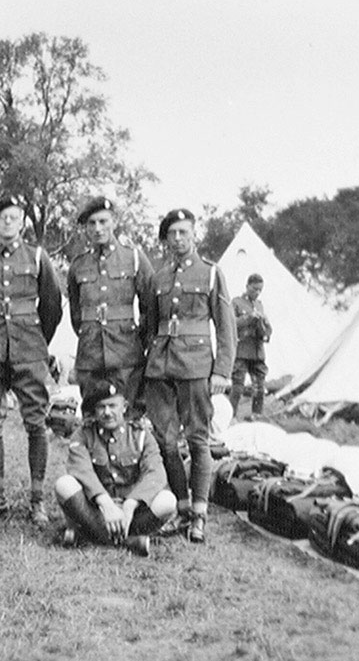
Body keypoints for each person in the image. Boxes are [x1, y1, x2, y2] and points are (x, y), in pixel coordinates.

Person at [0, 196, 62, 524]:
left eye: (15, 217)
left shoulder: (37, 257)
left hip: (28, 348)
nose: (9, 222)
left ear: (23, 223)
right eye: (3, 217)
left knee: (36, 422)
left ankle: (37, 500)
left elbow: (52, 305)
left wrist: (37, 342)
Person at [143, 209, 236, 543]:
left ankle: (199, 514)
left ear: (194, 234)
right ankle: (181, 508)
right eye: (172, 234)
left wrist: (222, 370)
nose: (179, 239)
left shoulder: (211, 273)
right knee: (166, 441)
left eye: (184, 232)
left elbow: (226, 327)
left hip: (196, 366)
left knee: (198, 440)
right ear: (166, 239)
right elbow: (151, 327)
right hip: (160, 367)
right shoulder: (159, 277)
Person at [54, 381, 176, 556]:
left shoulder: (141, 435)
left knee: (167, 501)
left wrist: (131, 504)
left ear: (124, 407)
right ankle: (130, 540)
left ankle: (88, 536)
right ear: (94, 410)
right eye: (101, 407)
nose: (107, 413)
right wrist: (106, 504)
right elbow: (81, 470)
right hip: (95, 510)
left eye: (112, 406)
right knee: (64, 484)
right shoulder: (83, 434)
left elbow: (155, 473)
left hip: (132, 514)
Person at [67, 196, 153, 412]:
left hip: (126, 355)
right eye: (92, 223)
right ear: (86, 228)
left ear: (114, 221)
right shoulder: (78, 265)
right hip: (90, 356)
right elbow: (76, 315)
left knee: (128, 415)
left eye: (103, 221)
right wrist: (89, 335)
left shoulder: (133, 258)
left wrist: (138, 340)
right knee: (91, 416)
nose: (98, 228)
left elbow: (150, 308)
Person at [229, 273, 273, 417]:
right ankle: (230, 417)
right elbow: (230, 324)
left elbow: (266, 331)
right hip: (241, 351)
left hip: (257, 351)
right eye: (254, 289)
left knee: (259, 388)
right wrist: (248, 317)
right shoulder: (236, 302)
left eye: (260, 290)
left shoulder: (260, 305)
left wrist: (264, 322)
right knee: (237, 387)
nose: (257, 293)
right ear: (247, 286)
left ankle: (256, 416)